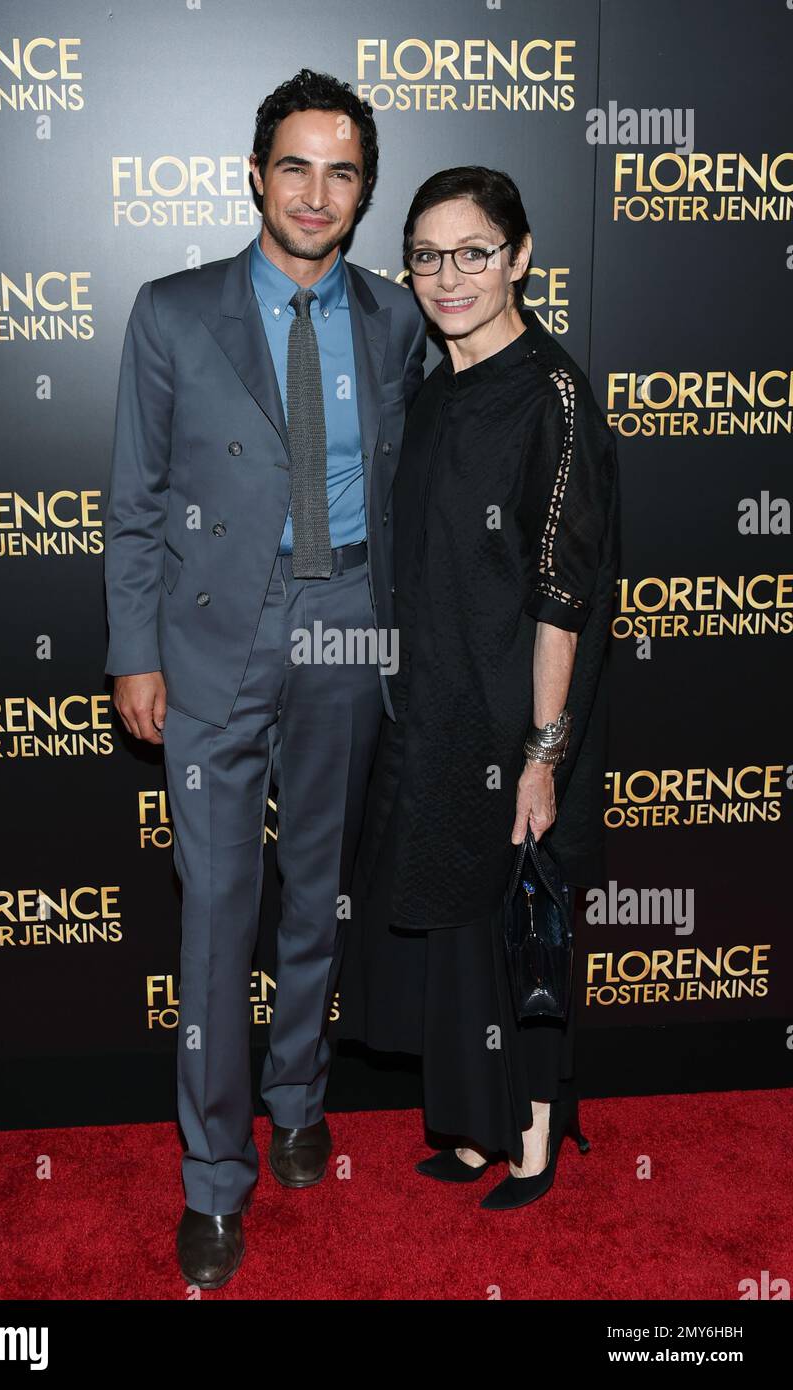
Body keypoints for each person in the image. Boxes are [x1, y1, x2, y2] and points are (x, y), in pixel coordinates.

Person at [103, 69, 427, 1287]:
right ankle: (210, 1177)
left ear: (361, 192)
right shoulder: (174, 311)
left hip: (348, 615)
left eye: (340, 171)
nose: (314, 191)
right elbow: (132, 502)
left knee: (319, 891)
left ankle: (298, 1096)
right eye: (293, 165)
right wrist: (133, 649)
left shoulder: (396, 320)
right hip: (207, 638)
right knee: (215, 912)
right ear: (253, 174)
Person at [338, 166, 620, 1211]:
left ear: (519, 257)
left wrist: (544, 752)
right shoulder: (430, 382)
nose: (446, 276)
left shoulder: (548, 392)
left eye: (471, 252)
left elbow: (561, 592)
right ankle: (468, 1126)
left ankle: (534, 1138)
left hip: (510, 709)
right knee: (451, 926)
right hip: (431, 702)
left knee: (510, 923)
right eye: (425, 254)